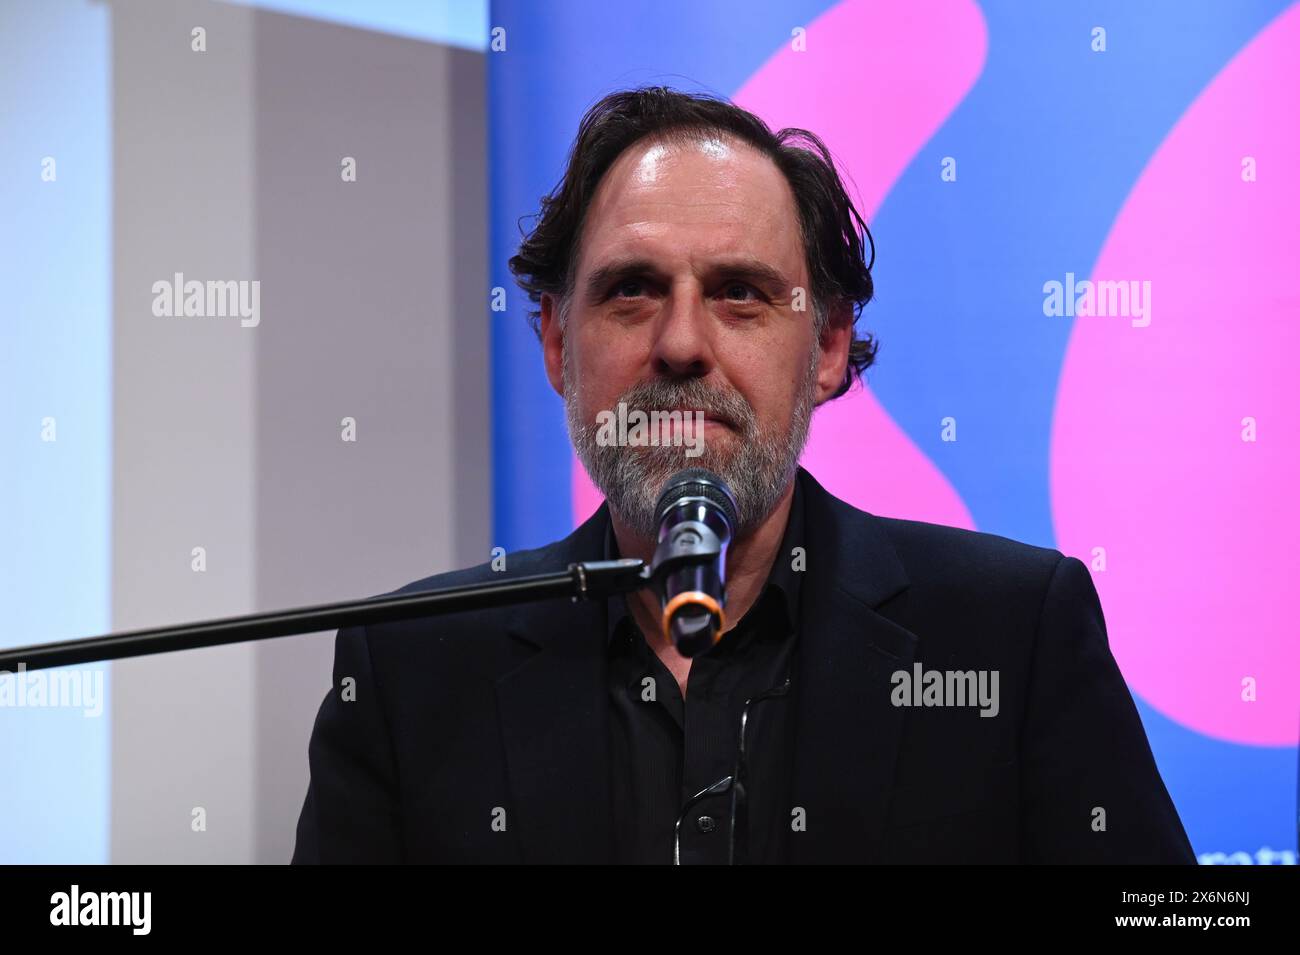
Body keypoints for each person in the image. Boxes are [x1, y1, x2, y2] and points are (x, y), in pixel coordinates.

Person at [292, 86, 1194, 864]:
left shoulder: (1010, 636)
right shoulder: (413, 669)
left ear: (829, 345)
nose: (682, 344)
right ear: (558, 343)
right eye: (632, 290)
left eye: (740, 294)